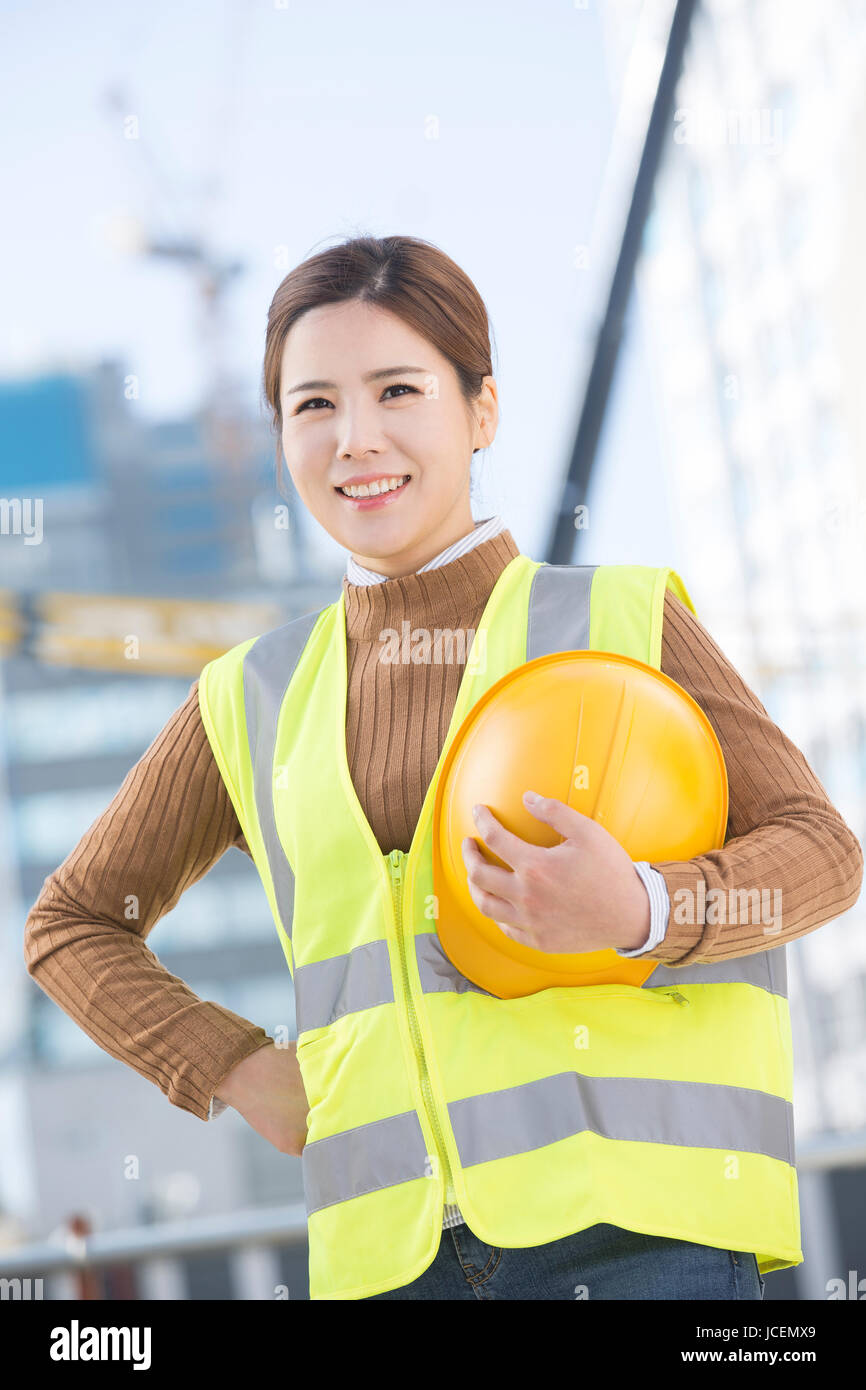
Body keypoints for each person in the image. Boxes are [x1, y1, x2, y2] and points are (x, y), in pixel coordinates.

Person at [24, 234, 863, 1302]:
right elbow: (69, 926)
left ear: (481, 413)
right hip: (388, 1261)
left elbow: (822, 853)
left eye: (396, 390)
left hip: (632, 1236)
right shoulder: (249, 695)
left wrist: (644, 905)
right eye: (313, 404)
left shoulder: (615, 618)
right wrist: (234, 1066)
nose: (355, 438)